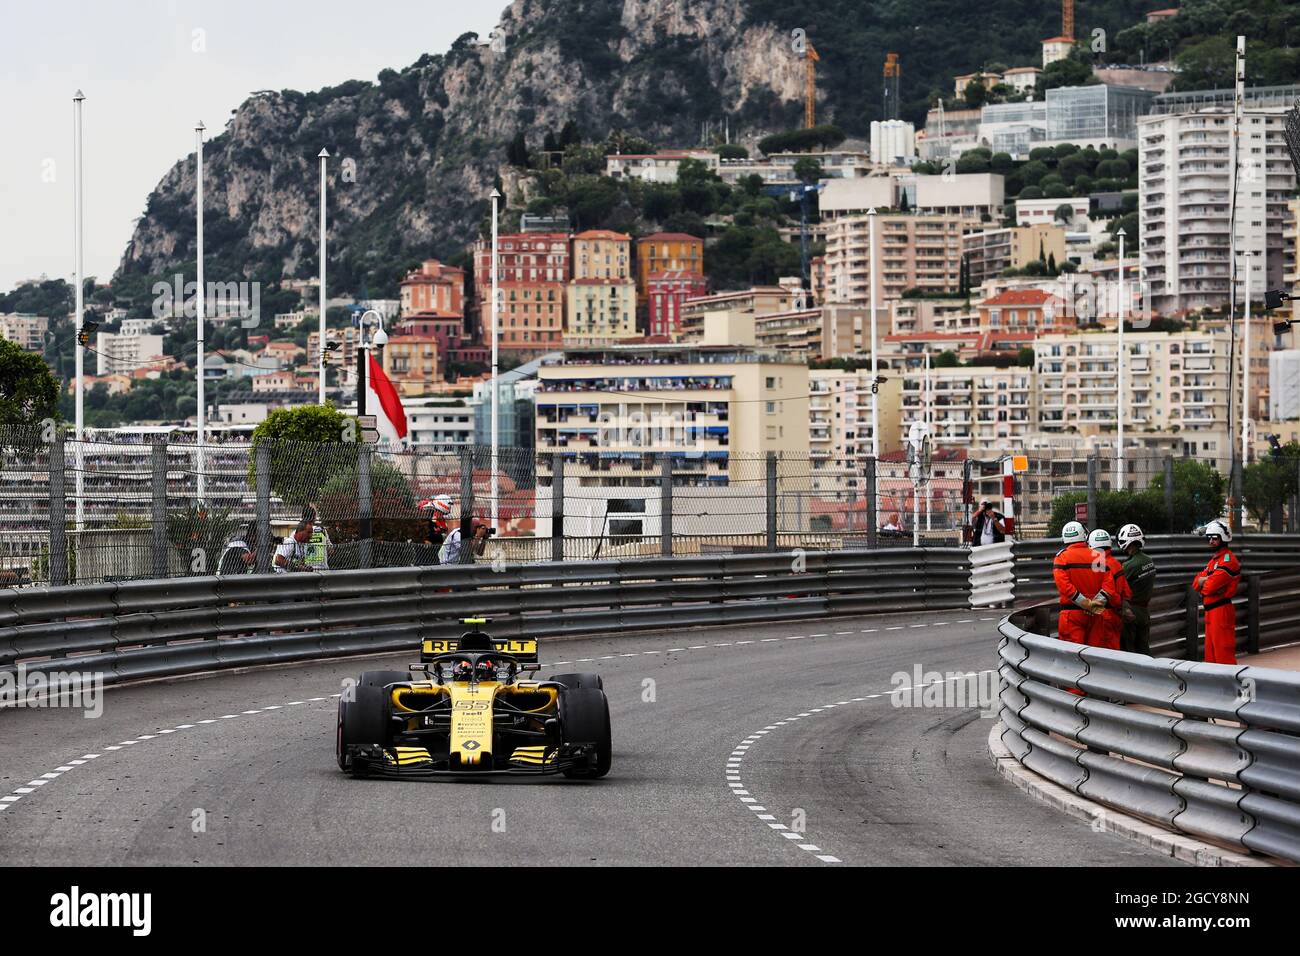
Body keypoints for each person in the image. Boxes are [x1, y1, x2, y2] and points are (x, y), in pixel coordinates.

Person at [1053, 520, 1117, 645]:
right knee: (1095, 656)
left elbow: (1065, 587)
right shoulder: (1098, 556)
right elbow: (1109, 586)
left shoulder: (1062, 558)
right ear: (1084, 536)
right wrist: (1094, 605)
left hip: (1072, 615)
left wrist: (1086, 604)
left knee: (1072, 658)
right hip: (1096, 614)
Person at [1193, 519, 1241, 664]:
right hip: (1211, 612)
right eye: (1209, 538)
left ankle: (1230, 686)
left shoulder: (1228, 560)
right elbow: (1196, 583)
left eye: (1215, 538)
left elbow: (1208, 587)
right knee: (1210, 655)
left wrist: (1204, 581)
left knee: (1223, 653)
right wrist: (1202, 581)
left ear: (1223, 538)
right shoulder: (1214, 561)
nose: (1211, 541)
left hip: (1221, 611)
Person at [1086, 529, 1130, 650]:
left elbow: (1107, 593)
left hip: (1103, 615)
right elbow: (1127, 592)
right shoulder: (1116, 563)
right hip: (1116, 614)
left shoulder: (1098, 565)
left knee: (1102, 654)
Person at [1117, 523, 1157, 654]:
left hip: (1131, 612)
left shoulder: (1128, 565)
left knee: (1128, 649)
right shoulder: (1149, 560)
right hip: (1144, 612)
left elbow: (1116, 586)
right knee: (1144, 647)